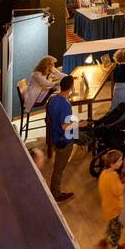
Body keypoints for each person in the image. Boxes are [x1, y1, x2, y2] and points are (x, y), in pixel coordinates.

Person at [46, 75, 78, 203]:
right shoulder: (65, 105)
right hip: (64, 140)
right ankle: (55, 194)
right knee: (59, 168)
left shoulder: (53, 100)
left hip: (54, 137)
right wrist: (78, 124)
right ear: (71, 87)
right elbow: (65, 126)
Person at [97, 149, 125, 249]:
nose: (121, 162)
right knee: (116, 230)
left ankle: (105, 240)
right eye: (119, 161)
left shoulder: (103, 173)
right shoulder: (113, 176)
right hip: (115, 209)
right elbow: (118, 192)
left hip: (107, 207)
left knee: (110, 226)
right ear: (112, 164)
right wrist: (123, 184)